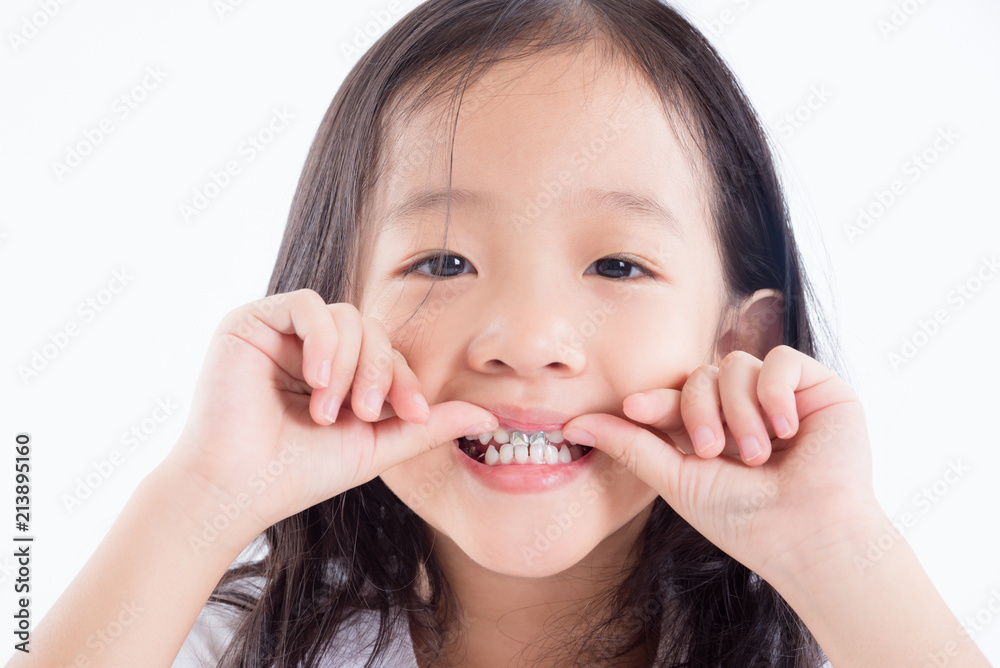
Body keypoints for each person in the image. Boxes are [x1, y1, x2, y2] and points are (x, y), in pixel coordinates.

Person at [12, 1, 991, 666]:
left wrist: (839, 550)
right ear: (332, 320)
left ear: (740, 346)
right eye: (440, 262)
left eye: (618, 265)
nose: (526, 341)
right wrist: (200, 500)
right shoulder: (226, 638)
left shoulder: (856, 635)